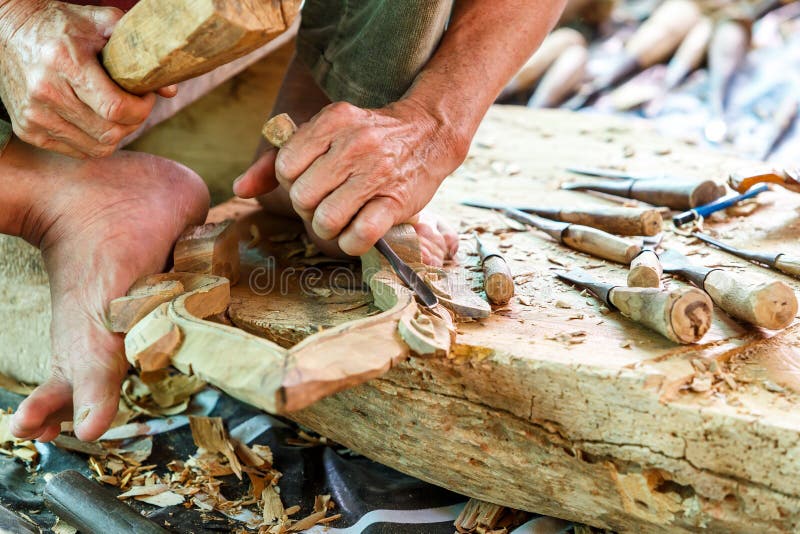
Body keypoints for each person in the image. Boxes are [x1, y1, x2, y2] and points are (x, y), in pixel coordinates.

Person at [2, 0, 565, 442]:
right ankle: (39, 188)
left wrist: (432, 121)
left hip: (204, 41)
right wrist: (13, 22)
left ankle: (326, 126)